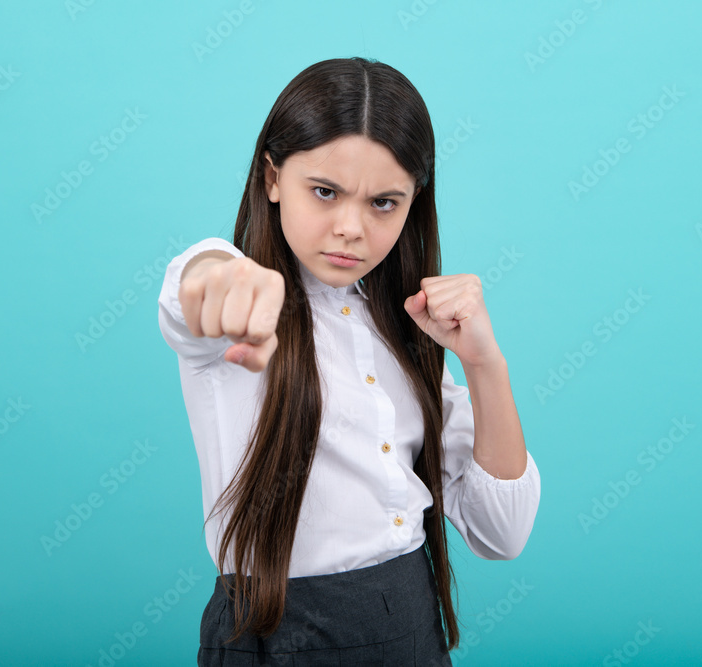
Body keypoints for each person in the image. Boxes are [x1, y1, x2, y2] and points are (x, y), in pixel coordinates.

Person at [157, 56, 541, 666]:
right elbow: (193, 289)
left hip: (412, 627)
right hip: (277, 634)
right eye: (325, 191)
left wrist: (484, 362)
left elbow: (502, 533)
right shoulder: (241, 315)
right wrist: (217, 275)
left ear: (414, 202)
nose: (350, 229)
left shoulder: (406, 330)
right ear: (272, 178)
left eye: (384, 203)